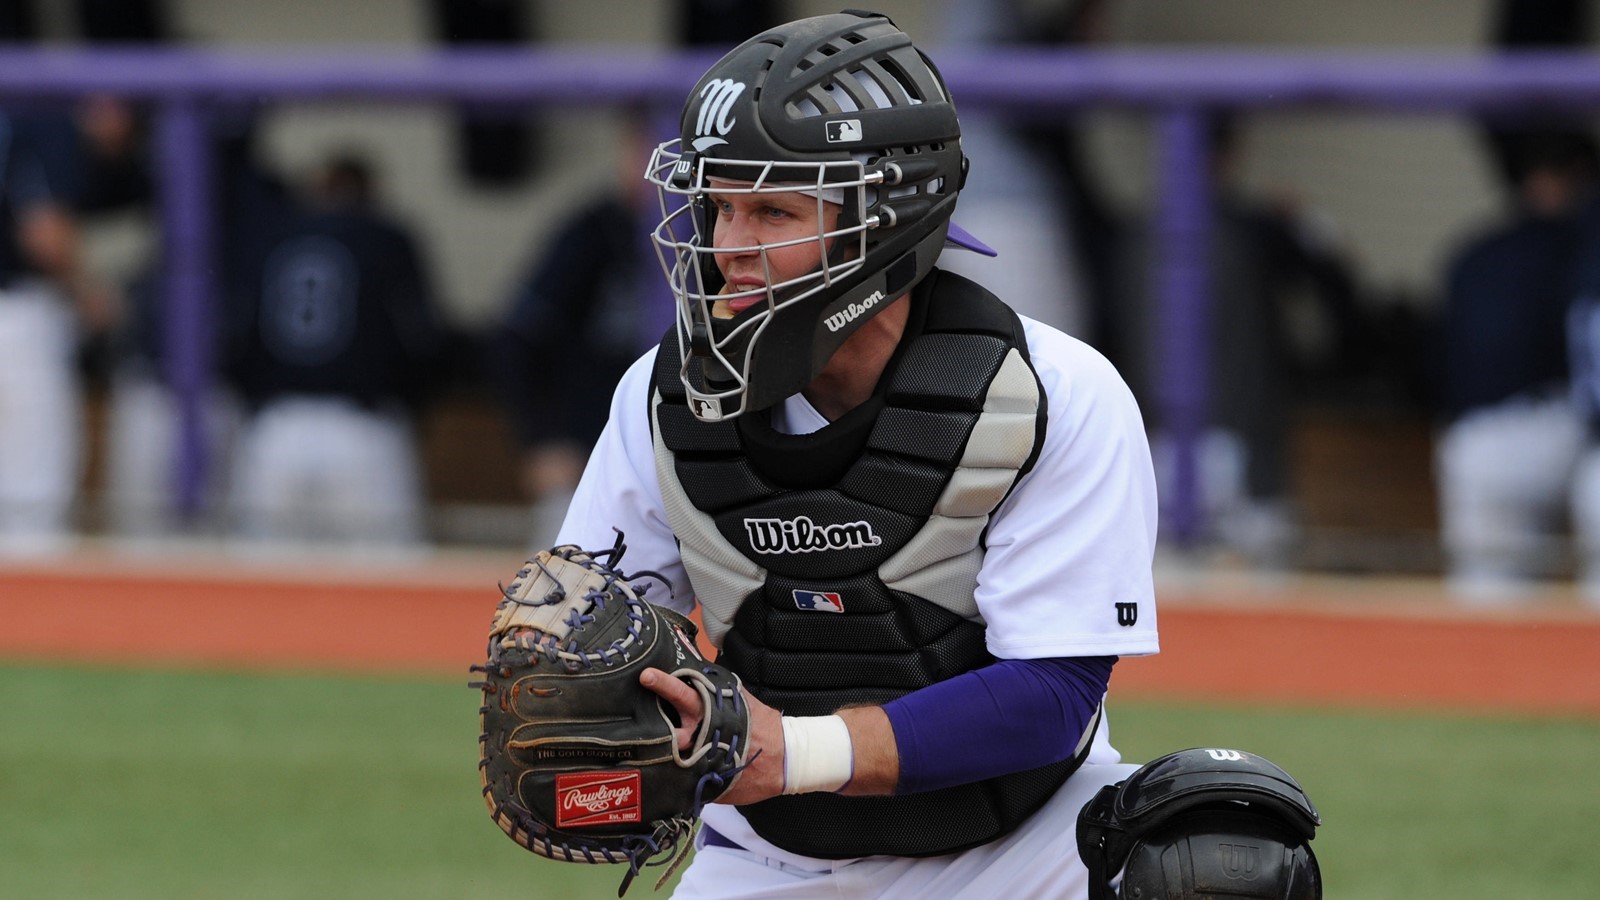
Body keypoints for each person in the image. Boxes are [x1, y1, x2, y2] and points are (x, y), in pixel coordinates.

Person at [551, 12, 1160, 897]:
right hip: (773, 854)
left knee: (1219, 854)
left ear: (886, 221)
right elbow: (598, 634)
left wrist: (792, 750)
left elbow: (1051, 696)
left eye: (774, 209)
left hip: (1024, 843)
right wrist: (588, 711)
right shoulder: (661, 392)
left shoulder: (1053, 390)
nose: (728, 248)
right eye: (719, 204)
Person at [224, 151, 445, 554]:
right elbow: (422, 339)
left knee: (262, 580)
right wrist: (416, 405)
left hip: (276, 429)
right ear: (370, 193)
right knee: (385, 581)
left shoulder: (271, 236)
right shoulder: (388, 238)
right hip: (362, 430)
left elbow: (233, 334)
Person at [1435, 130, 1597, 599]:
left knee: (1490, 608)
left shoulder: (1472, 252)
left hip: (1474, 442)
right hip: (1556, 430)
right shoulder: (1576, 245)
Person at [0, 107, 114, 556]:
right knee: (31, 498)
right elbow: (44, 232)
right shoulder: (42, 116)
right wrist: (85, 293)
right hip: (16, 317)